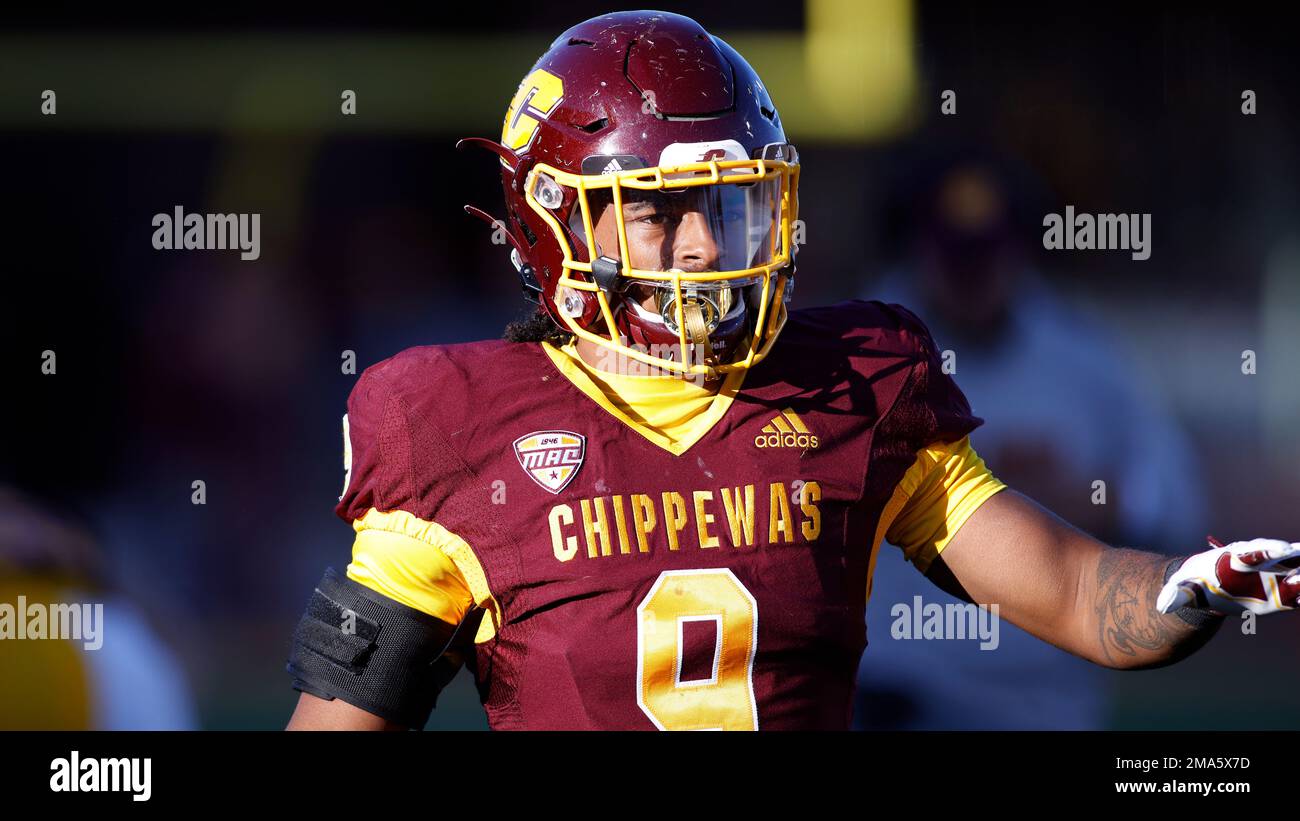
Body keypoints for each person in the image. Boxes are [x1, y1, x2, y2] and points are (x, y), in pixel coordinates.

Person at [284, 11, 1298, 731]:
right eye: (657, 208)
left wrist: (1200, 584)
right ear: (558, 214)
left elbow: (1076, 593)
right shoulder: (453, 425)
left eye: (726, 206)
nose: (700, 249)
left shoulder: (852, 383)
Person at [854, 158, 1208, 729]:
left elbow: (1179, 498)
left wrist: (1094, 497)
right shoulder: (862, 350)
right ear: (918, 247)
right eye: (955, 256)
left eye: (987, 255)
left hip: (1044, 703)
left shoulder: (1081, 353)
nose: (972, 276)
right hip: (901, 696)